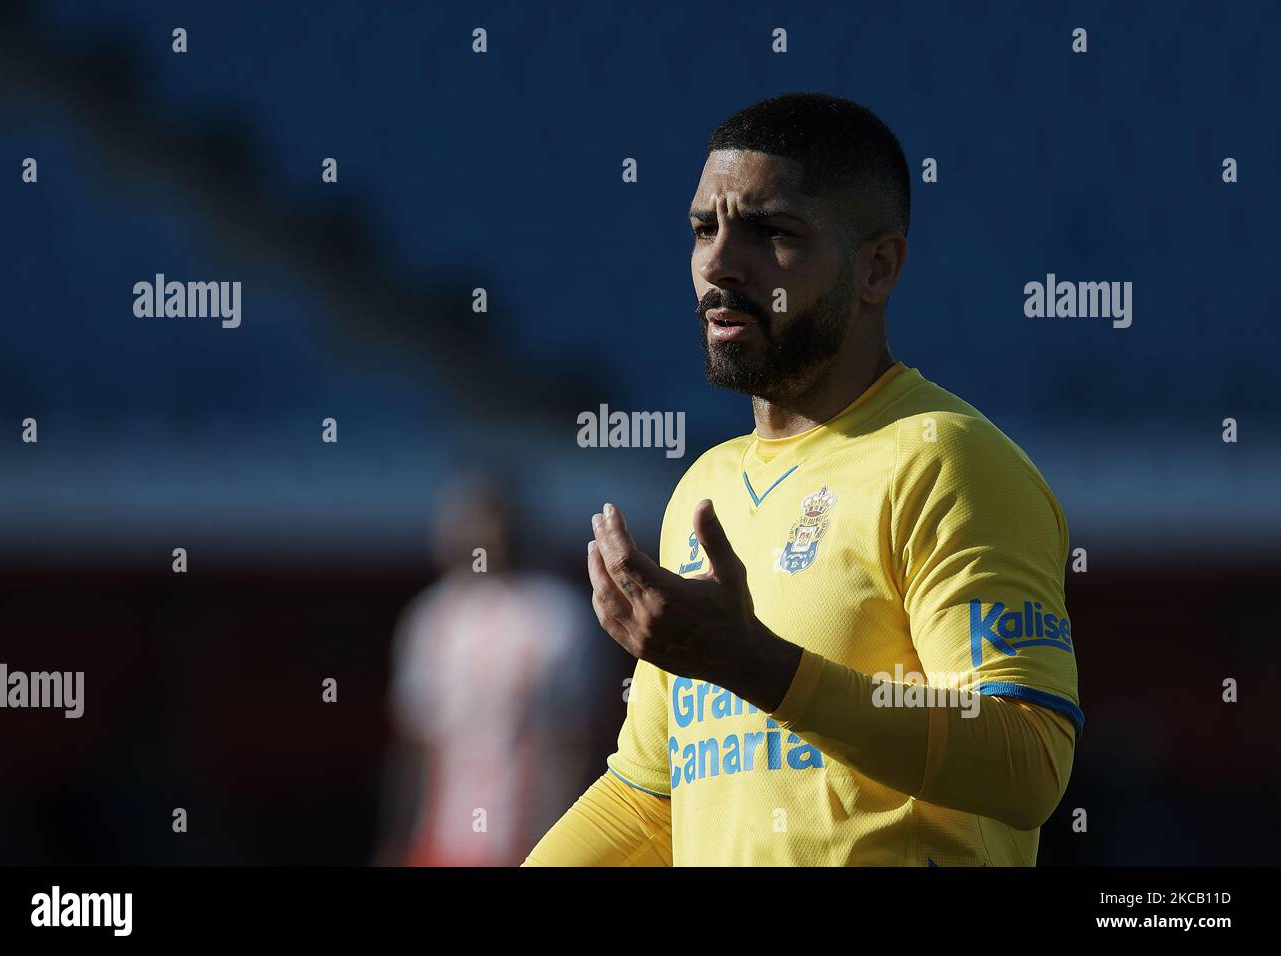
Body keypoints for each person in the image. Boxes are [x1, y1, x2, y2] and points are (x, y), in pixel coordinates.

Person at [524, 93, 1081, 867]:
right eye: (702, 230)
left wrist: (755, 664)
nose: (720, 264)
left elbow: (1030, 761)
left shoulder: (942, 459)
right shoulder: (703, 489)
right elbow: (652, 802)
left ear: (876, 268)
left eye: (773, 233)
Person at [375, 473, 602, 866]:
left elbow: (574, 743)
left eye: (488, 520)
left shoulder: (555, 616)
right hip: (443, 838)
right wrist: (395, 841)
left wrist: (561, 839)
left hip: (527, 837)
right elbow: (414, 746)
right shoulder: (432, 619)